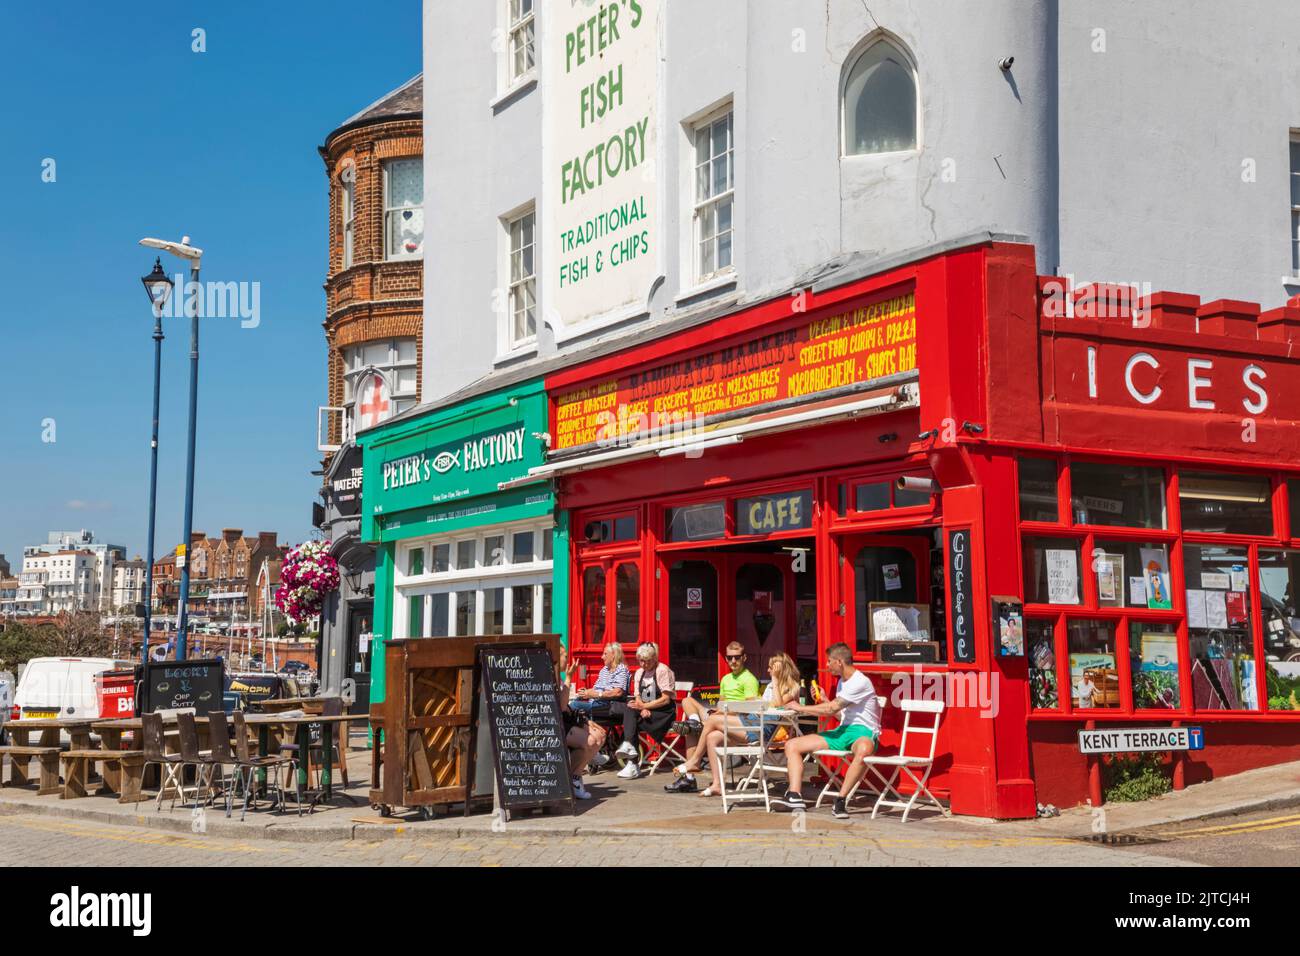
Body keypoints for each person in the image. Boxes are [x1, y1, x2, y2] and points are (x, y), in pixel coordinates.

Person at [667, 651, 802, 796]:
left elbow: (777, 703)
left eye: (771, 668)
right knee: (712, 737)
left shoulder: (793, 687)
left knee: (712, 720)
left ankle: (695, 760)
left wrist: (775, 680)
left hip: (762, 730)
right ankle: (717, 784)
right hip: (752, 721)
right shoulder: (770, 686)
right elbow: (763, 706)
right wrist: (754, 701)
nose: (768, 670)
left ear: (779, 668)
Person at [779, 642, 881, 819]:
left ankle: (840, 800)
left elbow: (831, 710)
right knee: (792, 745)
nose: (826, 665)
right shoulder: (843, 681)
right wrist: (824, 700)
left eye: (829, 661)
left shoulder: (860, 681)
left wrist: (800, 708)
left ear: (839, 662)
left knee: (864, 749)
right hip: (844, 731)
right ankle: (795, 795)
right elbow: (840, 715)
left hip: (863, 733)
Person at [613, 642, 677, 779]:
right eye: (641, 661)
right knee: (630, 708)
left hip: (663, 713)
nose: (644, 664)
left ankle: (632, 762)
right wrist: (641, 708)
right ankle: (630, 753)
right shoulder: (639, 673)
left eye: (647, 661)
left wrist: (644, 707)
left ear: (654, 659)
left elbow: (666, 699)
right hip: (646, 710)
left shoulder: (662, 670)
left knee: (632, 718)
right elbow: (637, 696)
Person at [673, 641, 760, 736]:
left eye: (737, 657)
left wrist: (721, 713)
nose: (733, 661)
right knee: (687, 701)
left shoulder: (749, 679)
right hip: (719, 714)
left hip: (733, 718)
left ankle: (696, 727)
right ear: (726, 659)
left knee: (690, 733)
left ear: (744, 657)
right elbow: (721, 704)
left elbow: (749, 708)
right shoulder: (725, 679)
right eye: (730, 658)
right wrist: (715, 711)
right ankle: (695, 724)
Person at [558, 673, 605, 801]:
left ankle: (576, 776)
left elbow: (566, 708)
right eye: (564, 656)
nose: (568, 661)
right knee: (590, 741)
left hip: (566, 717)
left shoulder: (558, 676)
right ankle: (574, 778)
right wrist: (568, 677)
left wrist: (586, 721)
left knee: (600, 736)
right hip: (554, 721)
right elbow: (562, 706)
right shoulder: (555, 674)